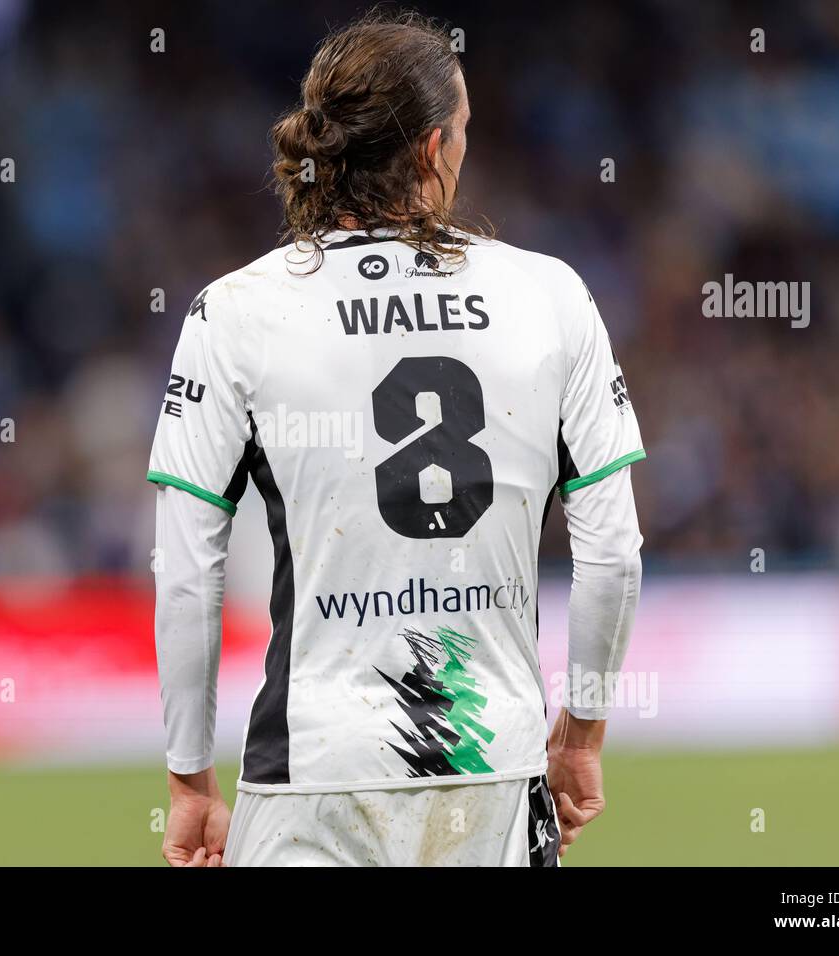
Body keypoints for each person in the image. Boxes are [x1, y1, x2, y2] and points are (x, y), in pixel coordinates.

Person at [148, 10, 644, 867]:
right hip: (494, 768)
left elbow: (188, 573)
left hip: (311, 774)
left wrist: (190, 777)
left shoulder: (235, 311)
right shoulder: (550, 296)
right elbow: (615, 554)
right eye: (462, 132)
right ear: (430, 150)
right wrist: (582, 734)